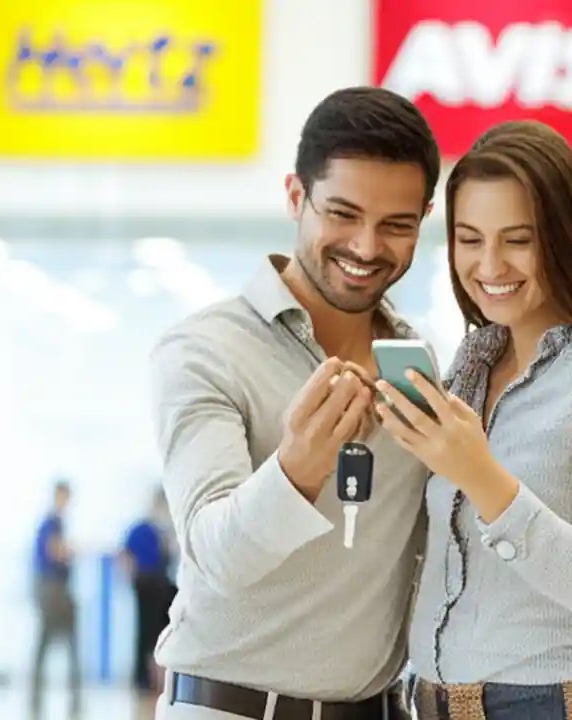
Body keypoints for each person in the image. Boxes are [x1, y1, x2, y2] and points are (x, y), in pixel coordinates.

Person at [148, 86, 440, 719]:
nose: (366, 247)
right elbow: (217, 556)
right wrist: (297, 467)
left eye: (397, 225)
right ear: (294, 197)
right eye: (342, 213)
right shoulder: (205, 351)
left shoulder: (417, 364)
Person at [372, 120, 572, 720]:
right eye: (469, 238)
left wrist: (481, 475)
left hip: (551, 705)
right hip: (429, 703)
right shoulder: (468, 370)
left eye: (518, 239)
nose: (489, 264)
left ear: (565, 238)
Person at [119, 488, 177, 700]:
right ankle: (142, 678)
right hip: (145, 585)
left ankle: (158, 677)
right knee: (145, 632)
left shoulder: (165, 531)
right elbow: (125, 555)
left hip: (161, 585)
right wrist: (131, 578)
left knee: (160, 631)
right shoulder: (141, 528)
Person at [31, 480, 81, 720]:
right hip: (52, 591)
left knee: (64, 646)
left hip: (57, 588)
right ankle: (36, 698)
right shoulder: (50, 523)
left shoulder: (58, 523)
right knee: (48, 645)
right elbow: (56, 551)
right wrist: (71, 550)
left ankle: (74, 700)